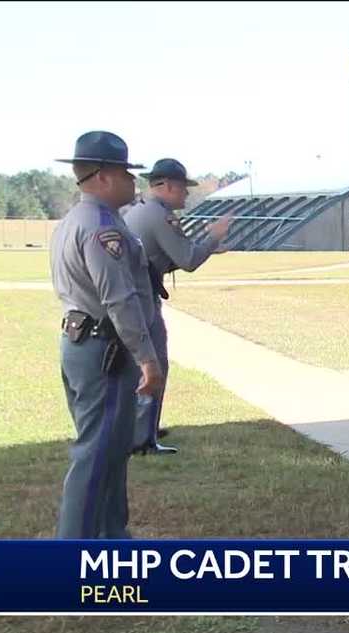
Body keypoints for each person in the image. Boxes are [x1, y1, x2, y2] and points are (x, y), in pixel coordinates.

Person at [50, 130, 164, 539]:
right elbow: (120, 299)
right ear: (102, 177)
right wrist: (148, 358)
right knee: (96, 455)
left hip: (85, 343)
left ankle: (113, 539)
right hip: (106, 350)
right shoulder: (102, 228)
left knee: (111, 452)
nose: (133, 182)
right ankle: (74, 554)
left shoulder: (75, 220)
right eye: (125, 173)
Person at [124, 158, 231, 455]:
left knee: (146, 365)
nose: (186, 194)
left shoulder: (143, 212)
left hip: (138, 296)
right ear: (169, 186)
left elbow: (167, 258)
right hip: (143, 300)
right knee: (154, 364)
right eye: (183, 188)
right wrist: (214, 236)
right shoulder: (161, 217)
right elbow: (188, 260)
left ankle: (143, 429)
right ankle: (143, 439)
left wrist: (206, 248)